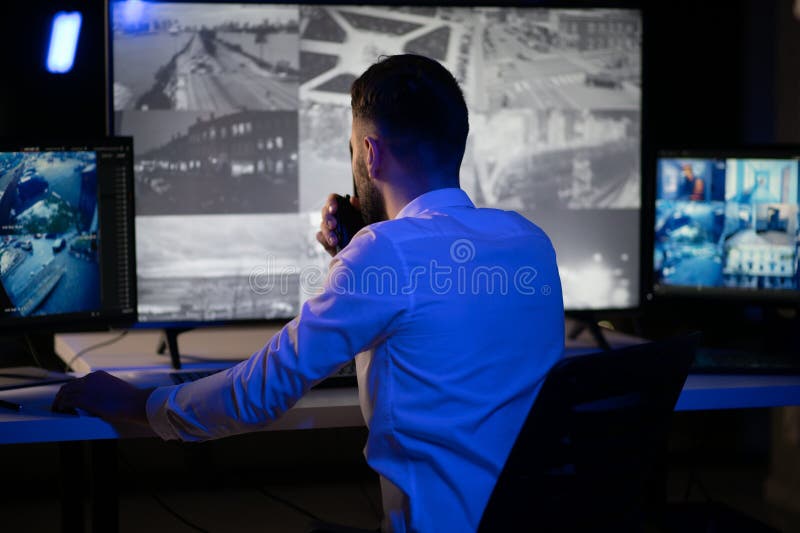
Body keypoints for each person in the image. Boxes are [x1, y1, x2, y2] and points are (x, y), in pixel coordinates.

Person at [54, 54, 565, 533]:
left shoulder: (385, 252)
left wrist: (141, 403)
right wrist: (351, 258)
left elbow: (259, 394)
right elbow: (431, 332)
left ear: (370, 152)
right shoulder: (530, 241)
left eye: (352, 149)